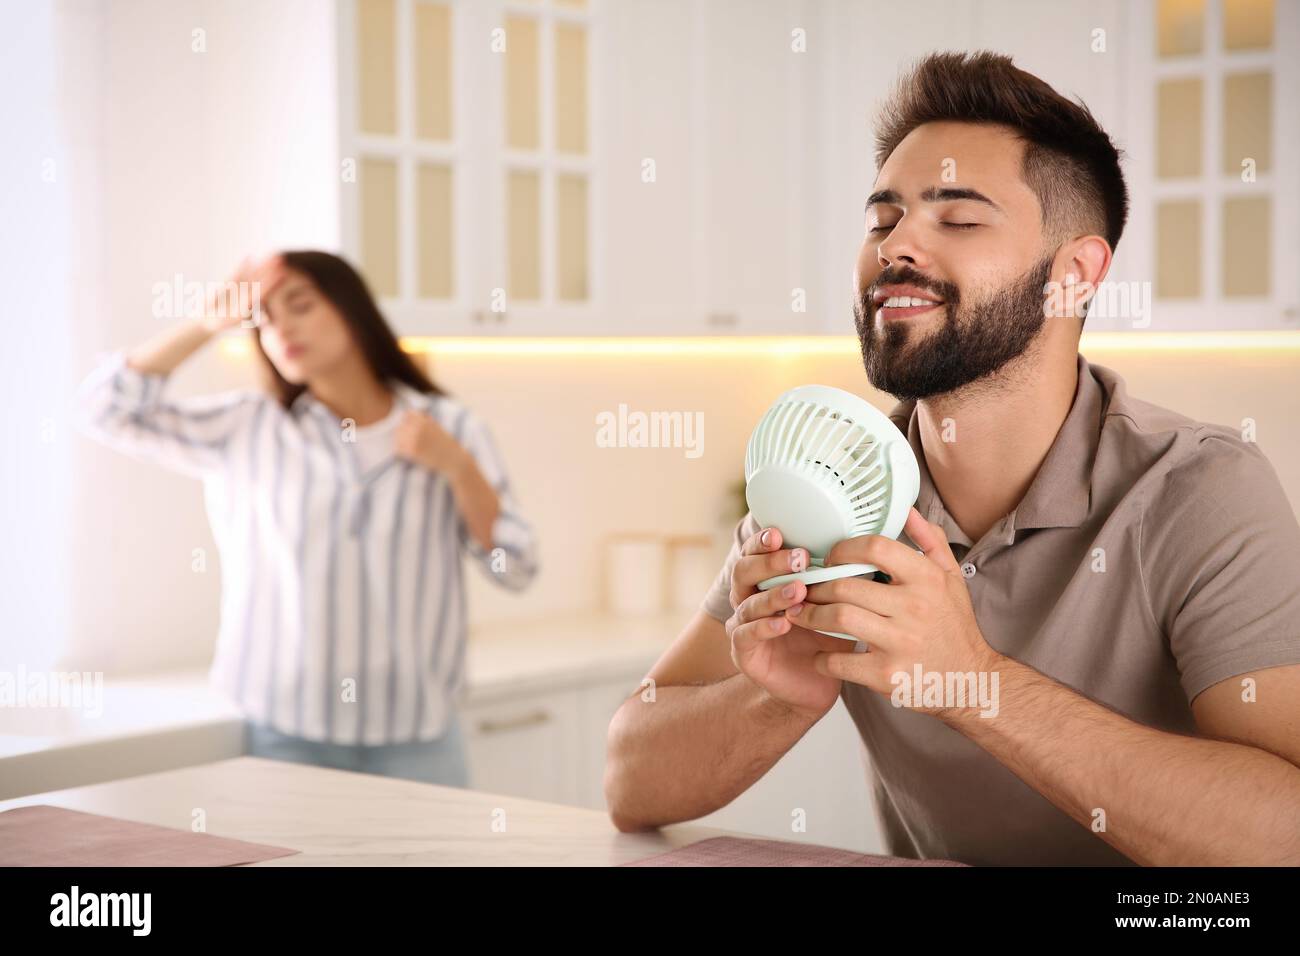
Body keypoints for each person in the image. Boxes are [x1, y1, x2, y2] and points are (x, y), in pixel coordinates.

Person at [605, 51, 1300, 866]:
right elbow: (630, 782)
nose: (896, 246)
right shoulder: (833, 483)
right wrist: (774, 698)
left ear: (1074, 276)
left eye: (958, 219)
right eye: (881, 219)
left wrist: (973, 681)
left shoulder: (1198, 489)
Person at [75, 250, 538, 786]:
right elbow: (101, 409)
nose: (282, 328)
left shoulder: (449, 426)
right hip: (286, 733)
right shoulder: (248, 427)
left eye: (301, 306)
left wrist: (459, 468)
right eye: (264, 318)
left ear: (353, 311)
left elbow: (518, 566)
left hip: (418, 734)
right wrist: (206, 324)